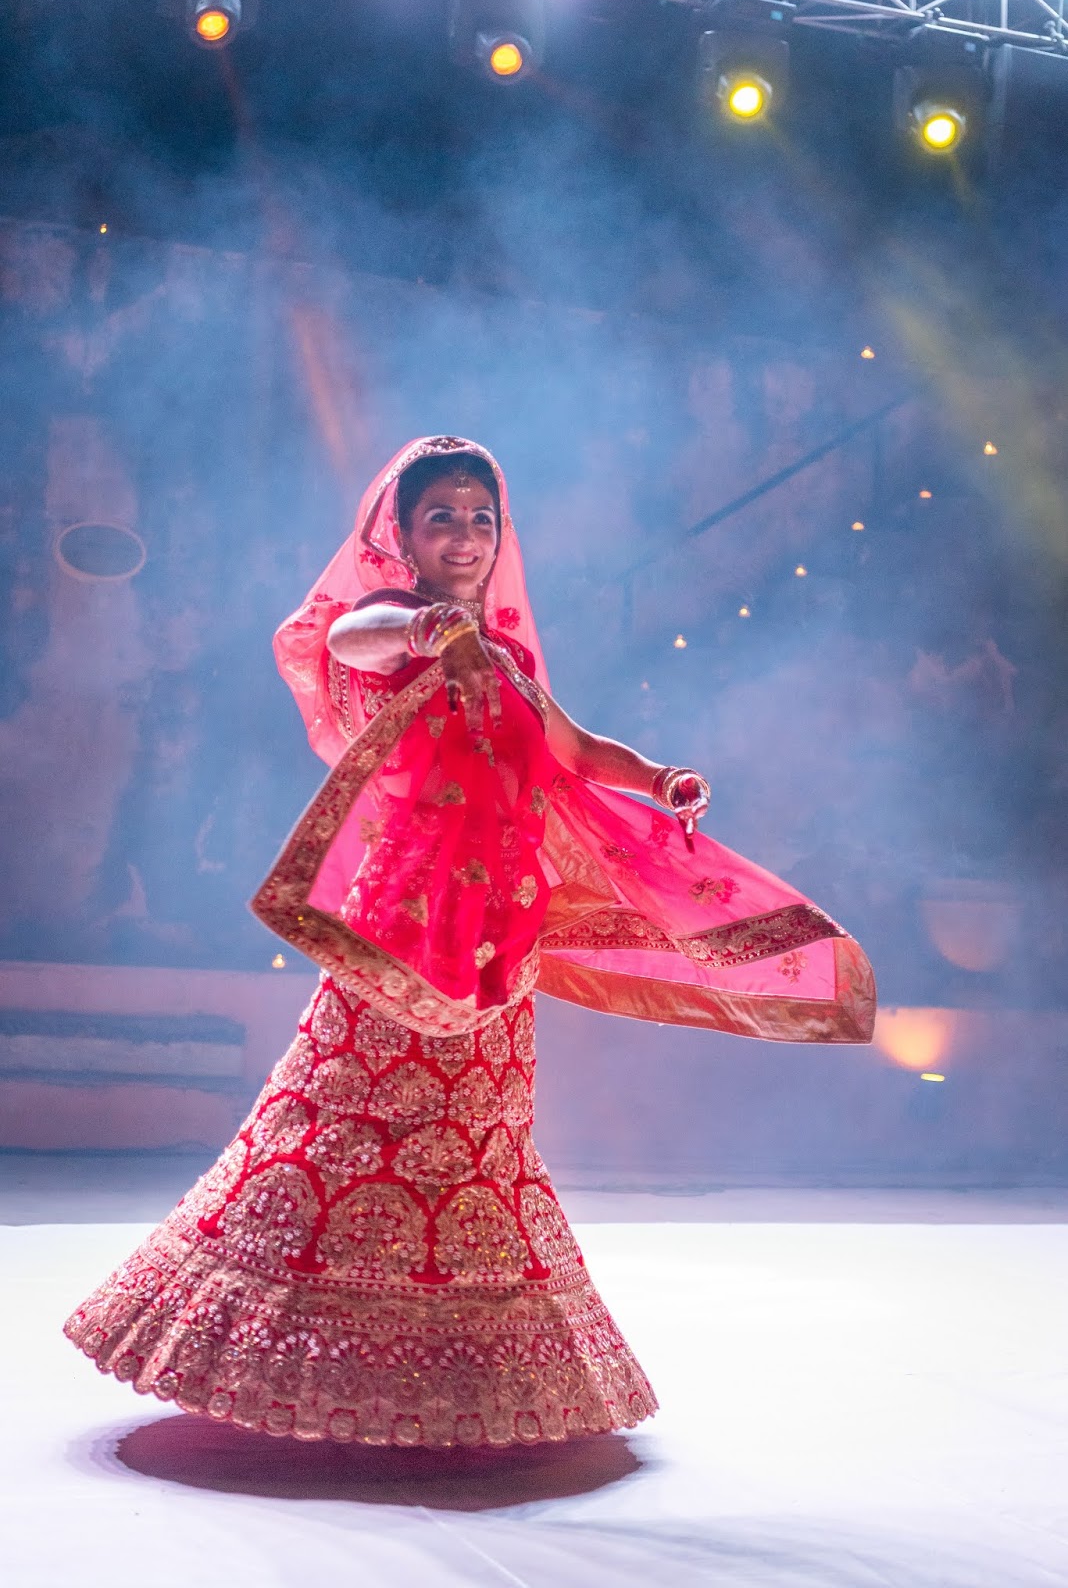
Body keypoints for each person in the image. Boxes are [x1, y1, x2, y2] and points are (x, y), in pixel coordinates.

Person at [65, 435, 875, 1449]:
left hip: (499, 934)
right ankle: (296, 1356)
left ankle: (459, 1376)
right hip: (402, 927)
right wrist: (426, 623)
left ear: (503, 537)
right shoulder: (398, 629)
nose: (464, 534)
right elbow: (349, 636)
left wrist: (660, 775)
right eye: (440, 516)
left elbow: (574, 748)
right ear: (400, 534)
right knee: (348, 1120)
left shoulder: (511, 658)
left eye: (481, 518)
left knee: (476, 1138)